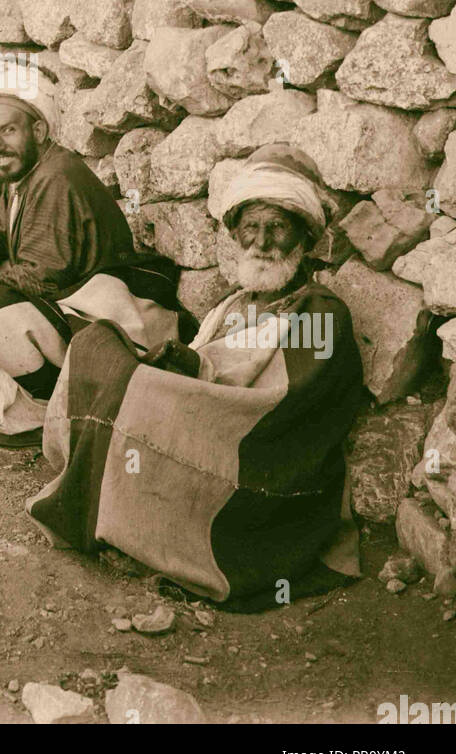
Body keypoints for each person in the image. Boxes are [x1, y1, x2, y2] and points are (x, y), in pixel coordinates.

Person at [28, 143, 364, 612]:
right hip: (216, 417)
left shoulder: (322, 311)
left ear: (304, 239)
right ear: (237, 235)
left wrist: (193, 374)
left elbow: (289, 404)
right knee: (97, 346)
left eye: (278, 229)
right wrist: (186, 368)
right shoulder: (235, 303)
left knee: (138, 398)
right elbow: (216, 364)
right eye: (251, 228)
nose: (262, 243)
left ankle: (128, 527)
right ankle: (106, 510)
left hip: (269, 456)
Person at [0, 55, 190, 447]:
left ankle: (49, 411)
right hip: (72, 306)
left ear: (38, 129)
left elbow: (39, 277)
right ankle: (39, 399)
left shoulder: (55, 177)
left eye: (8, 130)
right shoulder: (26, 174)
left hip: (114, 319)